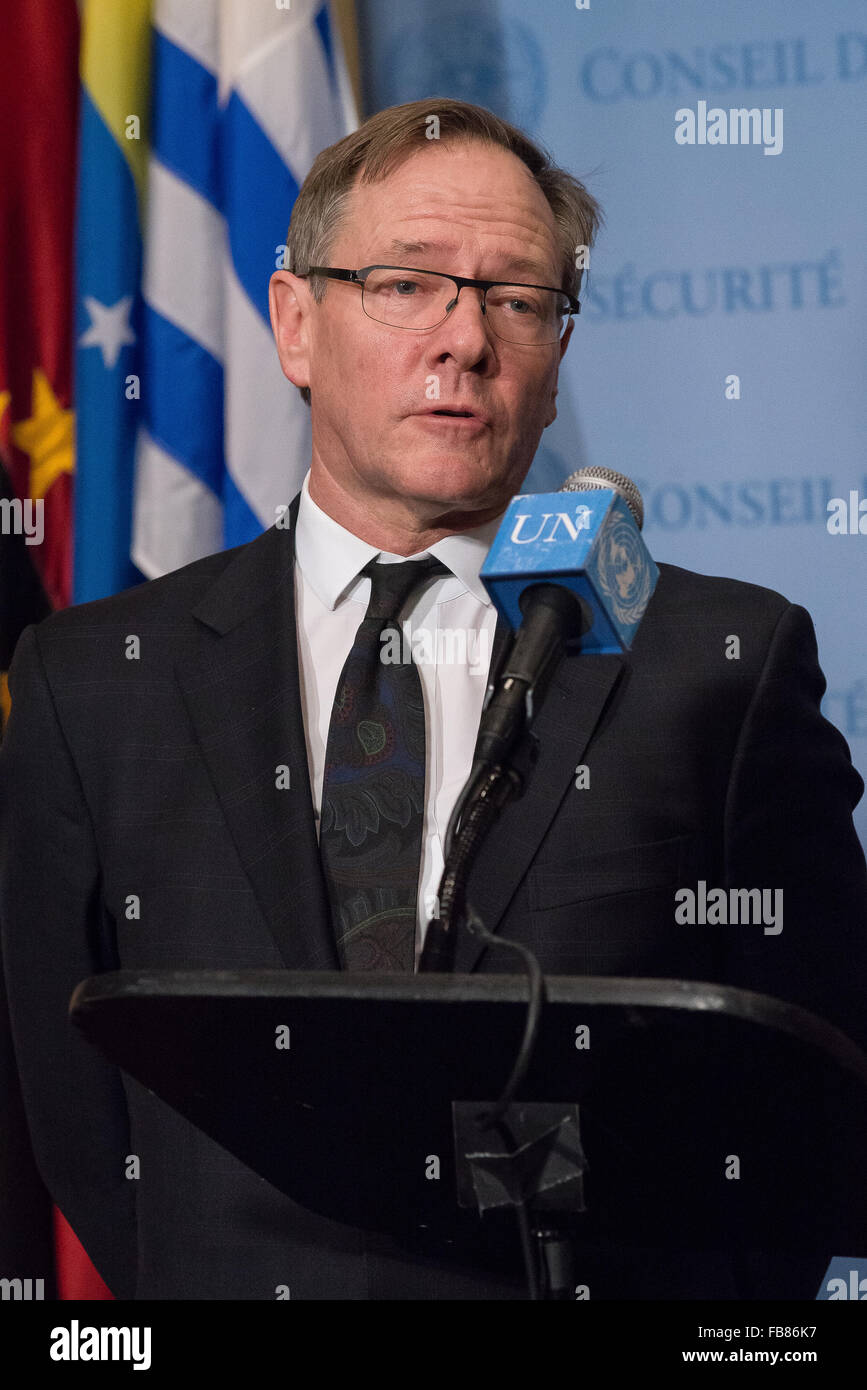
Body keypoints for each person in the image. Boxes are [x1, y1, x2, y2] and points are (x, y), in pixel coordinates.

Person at [1, 98, 865, 1301]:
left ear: (557, 358)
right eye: (407, 284)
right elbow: (69, 1105)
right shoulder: (91, 682)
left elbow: (814, 1091)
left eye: (517, 298)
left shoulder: (721, 662)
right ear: (295, 323)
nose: (465, 339)